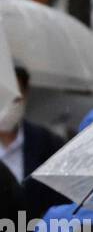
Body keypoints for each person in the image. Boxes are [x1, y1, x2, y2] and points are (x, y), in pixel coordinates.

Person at [1, 66, 66, 218]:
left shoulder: (48, 144)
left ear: (25, 94)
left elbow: (60, 198)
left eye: (14, 97)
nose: (6, 105)